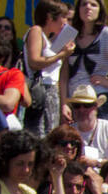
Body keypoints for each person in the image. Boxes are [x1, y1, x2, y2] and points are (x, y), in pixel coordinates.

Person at [22, 0, 75, 137]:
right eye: (62, 17)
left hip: (52, 91)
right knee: (39, 133)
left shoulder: (49, 38)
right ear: (50, 17)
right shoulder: (36, 31)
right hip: (40, 90)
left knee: (49, 133)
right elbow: (34, 61)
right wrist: (62, 55)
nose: (65, 21)